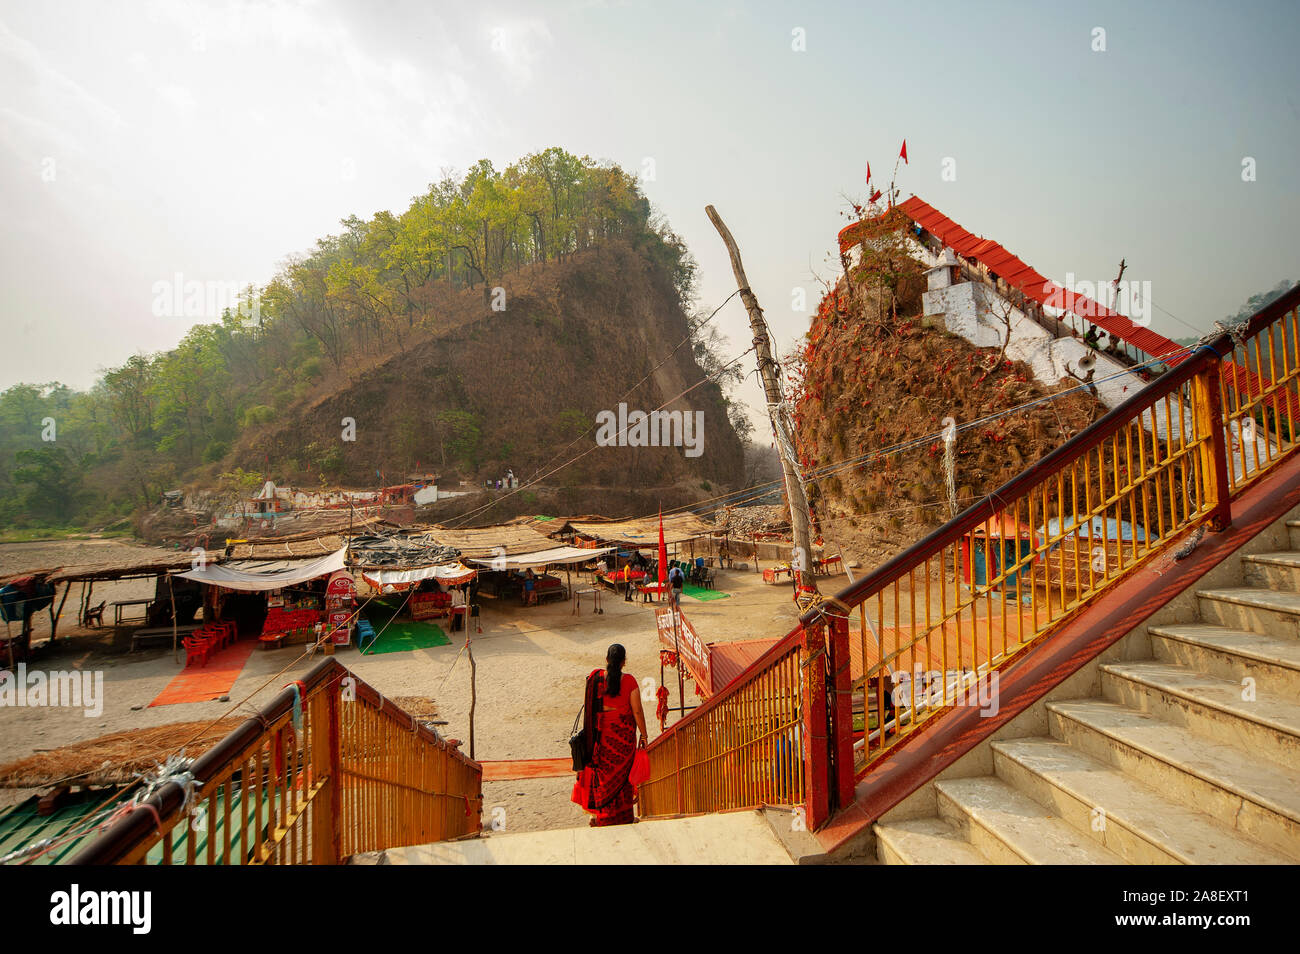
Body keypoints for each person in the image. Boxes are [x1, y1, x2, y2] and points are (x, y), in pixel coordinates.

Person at [575, 644, 648, 827]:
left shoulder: (596, 678)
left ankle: (598, 815)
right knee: (622, 778)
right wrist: (644, 735)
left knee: (600, 776)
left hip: (600, 739)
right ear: (624, 662)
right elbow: (637, 712)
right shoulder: (630, 681)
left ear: (607, 660)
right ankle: (623, 817)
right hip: (621, 740)